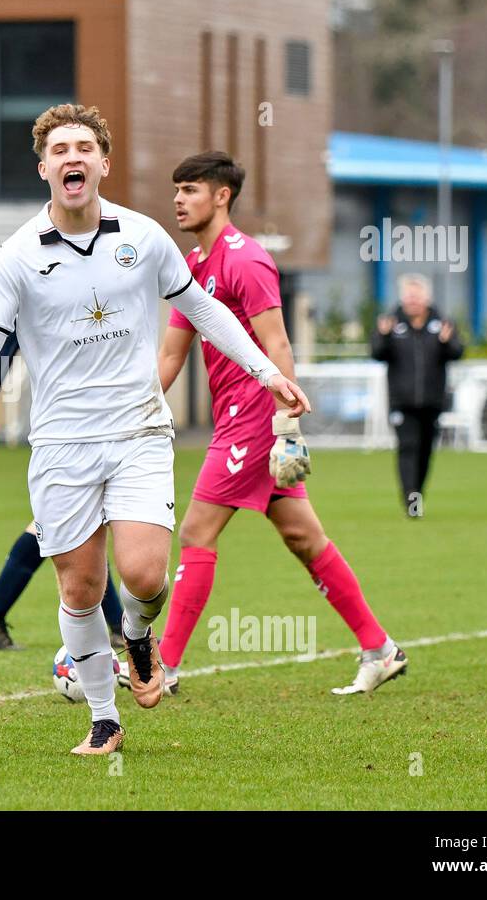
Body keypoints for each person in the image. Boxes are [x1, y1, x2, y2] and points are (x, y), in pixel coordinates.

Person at [0, 104, 309, 756]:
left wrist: (266, 372)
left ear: (103, 163)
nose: (73, 157)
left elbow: (203, 310)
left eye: (84, 147)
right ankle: (103, 719)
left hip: (139, 431)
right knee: (80, 588)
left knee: (145, 575)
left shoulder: (144, 238)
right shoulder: (16, 256)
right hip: (60, 444)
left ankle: (140, 636)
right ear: (44, 168)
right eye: (60, 149)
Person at [156, 152, 407, 696]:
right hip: (232, 420)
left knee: (197, 532)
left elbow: (278, 344)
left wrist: (284, 424)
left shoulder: (246, 260)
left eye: (191, 189)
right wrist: (134, 407)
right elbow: (172, 354)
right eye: (177, 189)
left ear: (222, 196)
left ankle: (163, 667)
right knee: (303, 537)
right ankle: (379, 648)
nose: (179, 199)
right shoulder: (190, 266)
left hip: (253, 419)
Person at [0, 331, 126, 653]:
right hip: (67, 431)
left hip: (91, 426)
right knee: (83, 523)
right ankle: (120, 628)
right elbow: (6, 345)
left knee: (72, 522)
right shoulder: (37, 284)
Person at [370, 273, 463, 517]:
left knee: (425, 451)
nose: (412, 300)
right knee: (408, 448)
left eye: (417, 295)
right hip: (402, 401)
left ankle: (417, 493)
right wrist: (384, 335)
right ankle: (411, 500)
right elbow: (377, 353)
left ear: (426, 298)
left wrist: (447, 342)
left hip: (433, 400)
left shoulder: (442, 324)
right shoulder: (390, 324)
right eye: (409, 296)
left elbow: (458, 353)